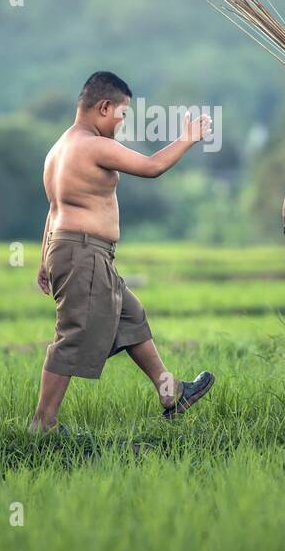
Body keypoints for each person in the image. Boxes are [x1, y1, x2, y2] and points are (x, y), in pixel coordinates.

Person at [30, 71, 215, 433]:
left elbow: (55, 208)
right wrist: (189, 138)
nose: (123, 123)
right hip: (84, 252)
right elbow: (152, 167)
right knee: (73, 333)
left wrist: (43, 258)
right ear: (103, 107)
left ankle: (171, 393)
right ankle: (43, 422)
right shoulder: (93, 145)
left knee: (130, 316)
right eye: (122, 114)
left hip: (71, 249)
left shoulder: (58, 149)